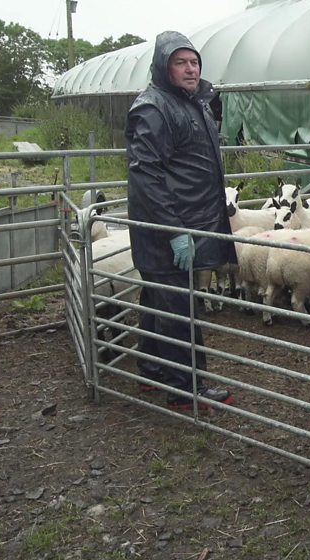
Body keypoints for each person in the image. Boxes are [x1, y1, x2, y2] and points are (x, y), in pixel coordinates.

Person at [125, 30, 237, 410]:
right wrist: (173, 231)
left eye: (194, 62)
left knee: (160, 298)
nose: (191, 69)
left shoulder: (191, 102)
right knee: (178, 308)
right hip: (167, 226)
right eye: (180, 62)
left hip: (185, 220)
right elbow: (146, 175)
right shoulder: (154, 108)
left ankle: (152, 370)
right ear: (163, 66)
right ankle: (186, 388)